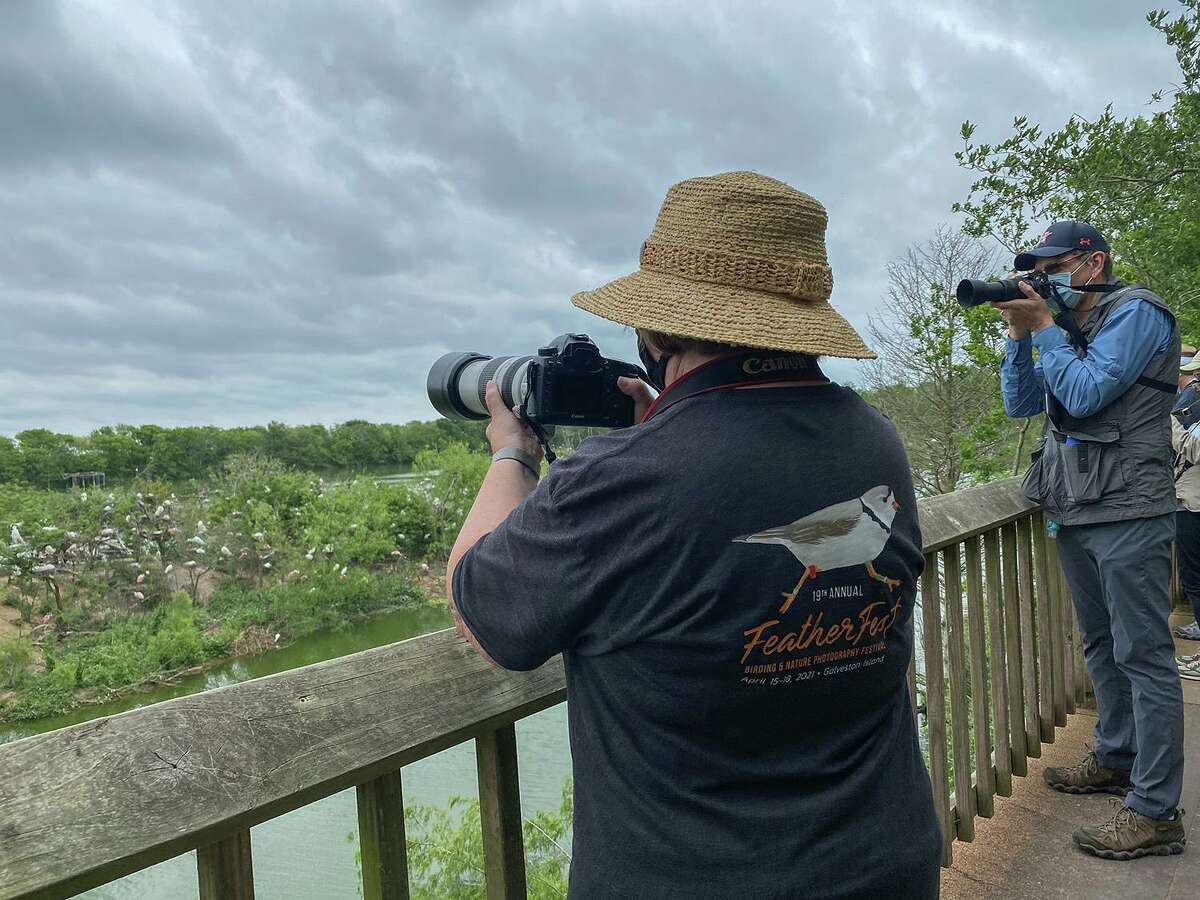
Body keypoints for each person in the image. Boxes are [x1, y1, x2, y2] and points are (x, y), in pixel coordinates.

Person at [446, 171, 941, 898]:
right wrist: (667, 426)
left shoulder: (627, 477)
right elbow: (733, 487)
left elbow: (482, 610)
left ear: (655, 329)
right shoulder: (874, 440)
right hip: (882, 863)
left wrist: (511, 449)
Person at [996, 220, 1186, 859]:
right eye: (1038, 267)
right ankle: (1116, 756)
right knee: (1101, 643)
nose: (1045, 275)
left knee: (1144, 654)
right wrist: (1022, 338)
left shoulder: (1138, 314)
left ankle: (1156, 810)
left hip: (1131, 508)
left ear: (1093, 260)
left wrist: (1046, 329)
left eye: (1056, 264)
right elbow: (1023, 403)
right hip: (1076, 506)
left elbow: (1084, 390)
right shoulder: (1067, 326)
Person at [1171, 348, 1200, 651]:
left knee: (1194, 578)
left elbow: (1195, 449)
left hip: (1194, 505)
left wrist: (1170, 426)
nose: (1194, 382)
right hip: (1190, 501)